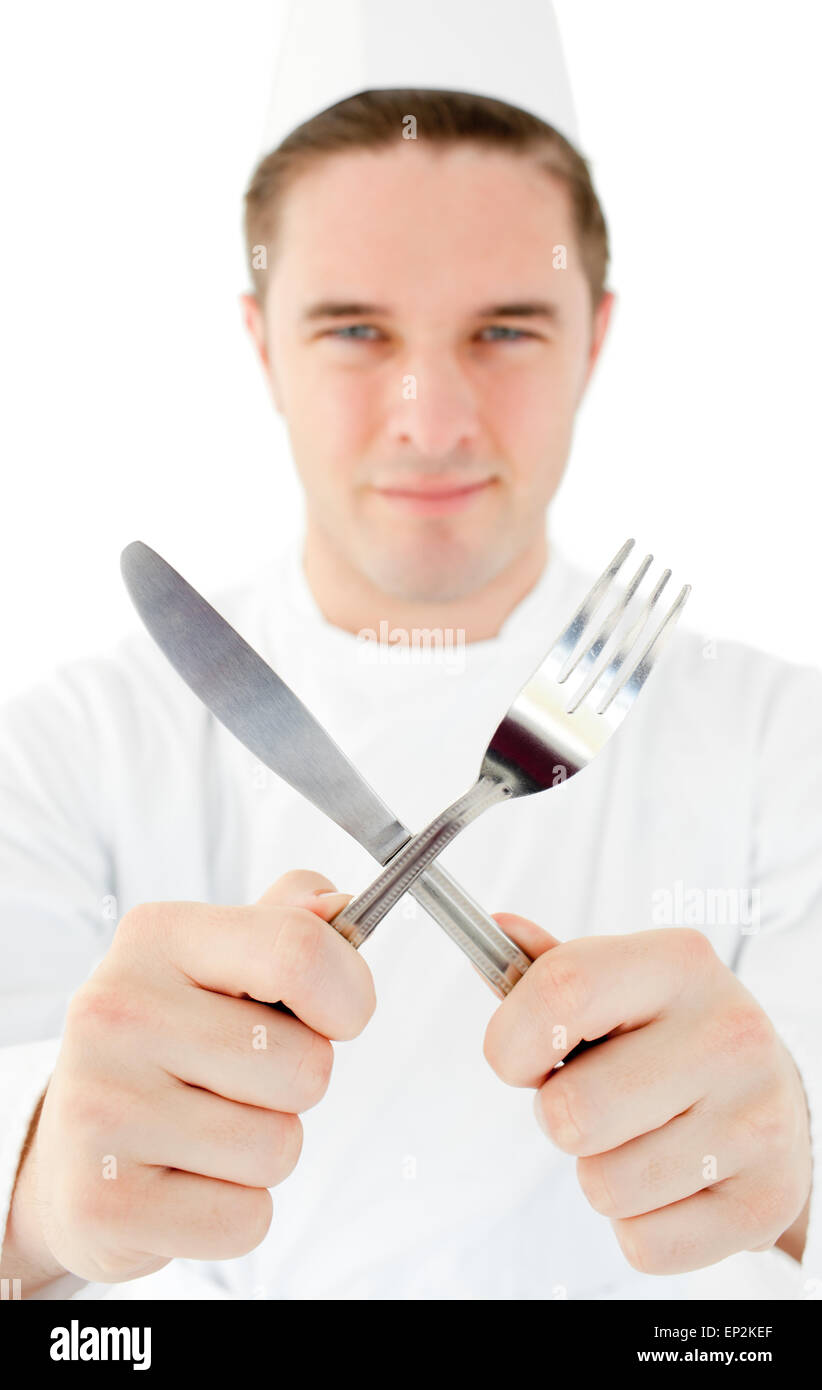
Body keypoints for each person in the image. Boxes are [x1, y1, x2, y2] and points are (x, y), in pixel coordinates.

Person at [1, 18, 821, 1303]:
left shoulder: (784, 741)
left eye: (504, 331)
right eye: (353, 331)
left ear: (596, 339)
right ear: (260, 341)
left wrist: (802, 1177)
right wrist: (39, 1189)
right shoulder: (66, 747)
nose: (431, 422)